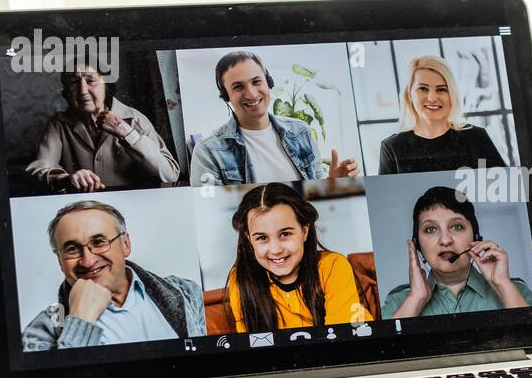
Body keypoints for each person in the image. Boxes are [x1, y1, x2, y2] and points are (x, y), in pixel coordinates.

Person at [22, 200, 204, 350]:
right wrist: (80, 321)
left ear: (125, 244)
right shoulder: (42, 331)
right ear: (60, 261)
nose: (88, 260)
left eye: (99, 242)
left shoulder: (186, 292)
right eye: (71, 249)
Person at [190, 51, 360, 186]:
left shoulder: (300, 131)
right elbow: (209, 211)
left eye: (256, 82)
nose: (251, 94)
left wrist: (333, 183)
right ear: (225, 96)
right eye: (238, 87)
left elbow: (316, 192)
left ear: (268, 82)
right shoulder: (208, 151)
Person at [225, 182, 370, 332]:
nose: (275, 250)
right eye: (262, 238)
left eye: (285, 234)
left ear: (304, 231)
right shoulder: (240, 279)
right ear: (249, 239)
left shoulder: (333, 266)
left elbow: (341, 337)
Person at [381, 186, 532, 318]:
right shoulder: (398, 302)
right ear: (417, 245)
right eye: (431, 229)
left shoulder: (515, 291)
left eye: (456, 226)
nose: (445, 240)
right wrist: (416, 299)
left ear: (475, 237)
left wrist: (503, 285)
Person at [27, 65, 180, 192]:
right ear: (66, 93)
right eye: (74, 82)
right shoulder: (58, 124)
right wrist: (66, 179)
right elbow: (40, 168)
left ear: (107, 86)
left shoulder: (135, 119)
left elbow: (170, 175)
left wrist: (125, 132)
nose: (82, 90)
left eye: (90, 80)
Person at [377, 55, 507, 174]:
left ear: (452, 94)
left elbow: (508, 191)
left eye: (441, 89)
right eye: (423, 88)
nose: (432, 97)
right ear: (409, 94)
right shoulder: (391, 148)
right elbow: (385, 199)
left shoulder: (476, 137)